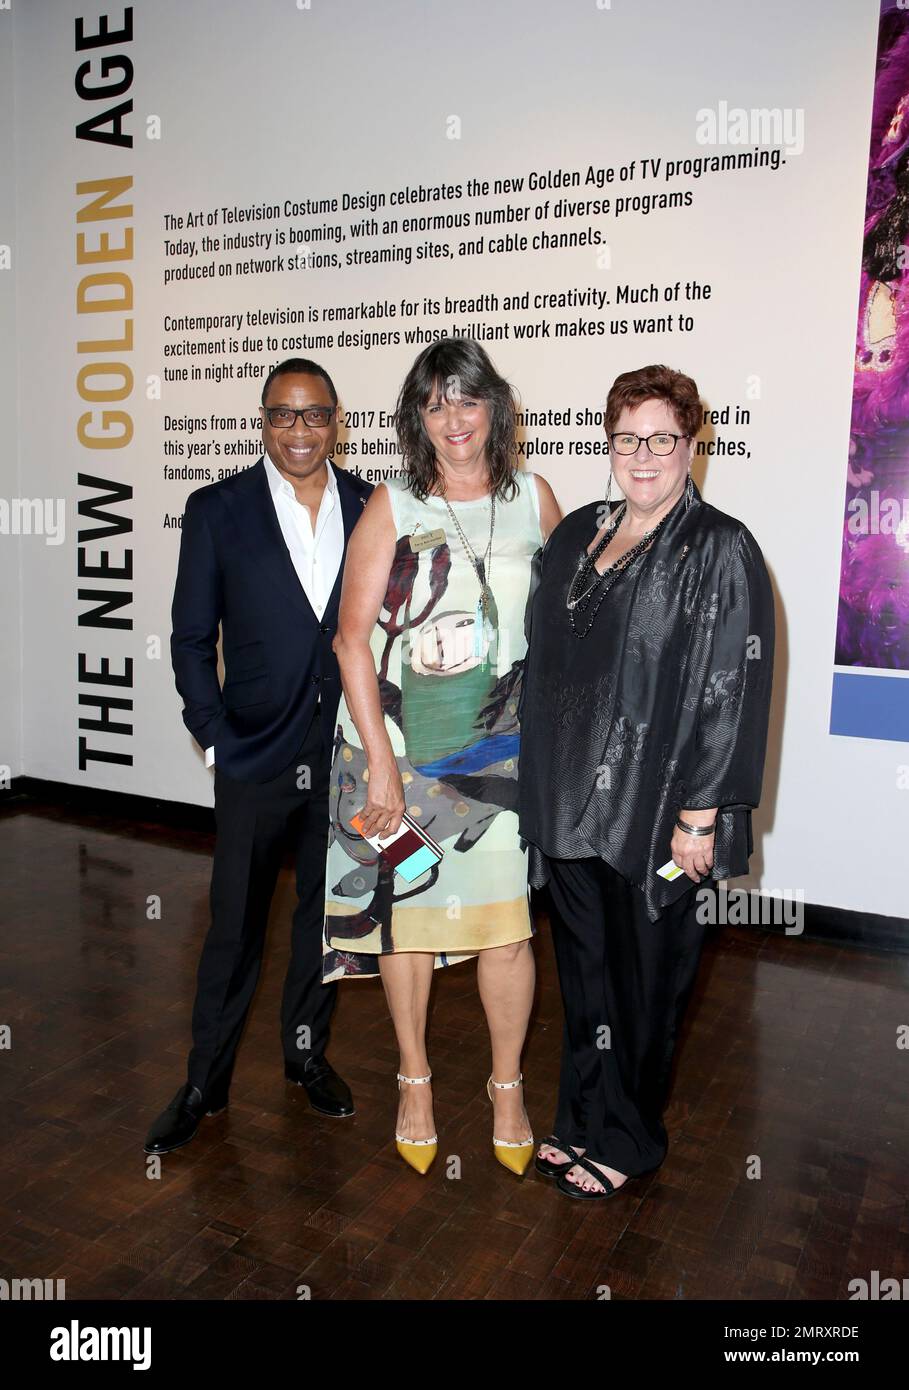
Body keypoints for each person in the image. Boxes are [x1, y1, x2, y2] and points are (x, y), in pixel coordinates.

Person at [518, 363, 774, 1199]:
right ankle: (579, 1121)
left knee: (644, 983)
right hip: (568, 804)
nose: (643, 454)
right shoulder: (577, 532)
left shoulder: (719, 546)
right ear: (608, 442)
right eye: (627, 436)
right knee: (585, 975)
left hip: (656, 812)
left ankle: (627, 1140)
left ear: (692, 444)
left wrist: (700, 813)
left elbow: (729, 689)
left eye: (662, 437)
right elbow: (546, 663)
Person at [324, 338, 561, 1176]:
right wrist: (382, 767)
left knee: (505, 932)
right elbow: (352, 643)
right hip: (394, 755)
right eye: (435, 403)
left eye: (467, 399)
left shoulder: (532, 499)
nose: (453, 418)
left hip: (500, 763)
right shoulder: (391, 506)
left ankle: (506, 1087)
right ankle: (414, 1080)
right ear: (416, 419)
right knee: (407, 926)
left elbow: (563, 635)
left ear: (494, 406)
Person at [144, 358, 373, 1155]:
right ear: (263, 420)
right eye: (283, 415)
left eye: (314, 416)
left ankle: (306, 1058)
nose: (299, 431)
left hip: (341, 754)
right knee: (233, 928)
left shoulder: (369, 505)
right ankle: (204, 1079)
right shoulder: (218, 509)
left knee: (325, 923)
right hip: (253, 757)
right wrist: (214, 739)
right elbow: (186, 638)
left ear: (335, 421)